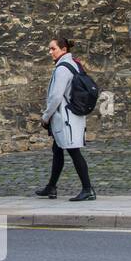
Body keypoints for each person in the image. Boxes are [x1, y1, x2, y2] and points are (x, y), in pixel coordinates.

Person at [35, 36, 95, 201]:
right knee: (57, 150)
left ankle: (88, 189)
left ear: (63, 49)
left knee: (74, 152)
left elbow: (55, 97)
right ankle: (51, 187)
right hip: (71, 116)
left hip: (65, 118)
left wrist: (45, 117)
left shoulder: (62, 68)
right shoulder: (74, 64)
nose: (50, 52)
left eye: (53, 49)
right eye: (50, 49)